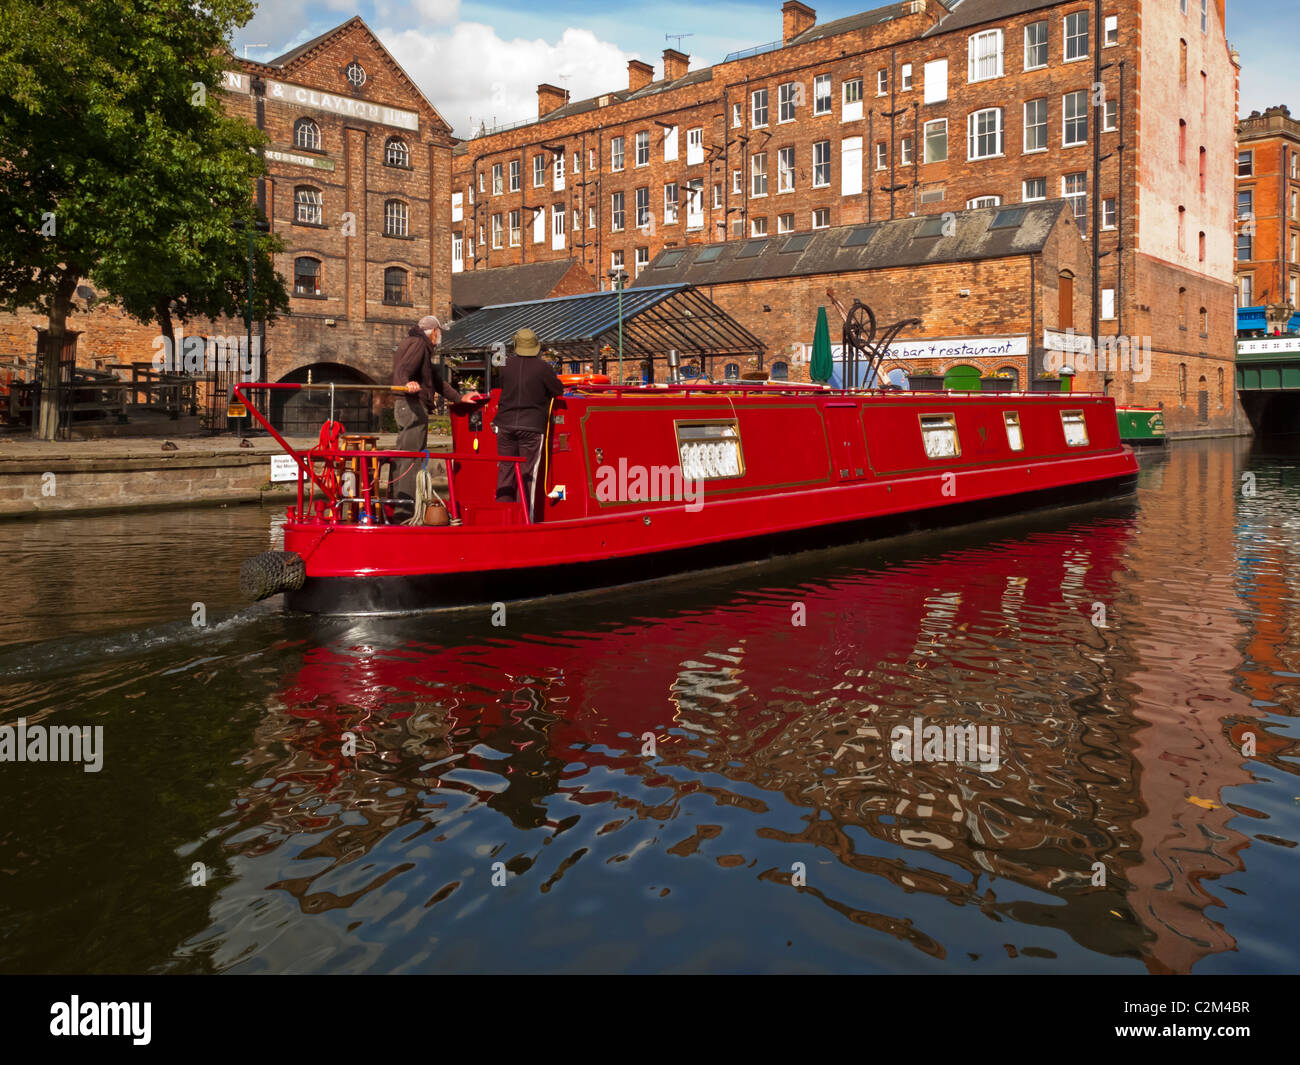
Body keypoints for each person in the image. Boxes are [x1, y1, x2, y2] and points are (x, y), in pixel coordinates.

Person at [391, 314, 483, 513]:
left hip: (406, 405)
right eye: (439, 332)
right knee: (411, 457)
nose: (439, 336)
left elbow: (436, 381)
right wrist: (406, 383)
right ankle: (404, 511)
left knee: (403, 455)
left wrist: (459, 398)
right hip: (412, 405)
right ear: (433, 332)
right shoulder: (418, 344)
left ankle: (395, 505)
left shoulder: (416, 344)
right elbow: (403, 368)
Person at [494, 327, 562, 519]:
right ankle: (525, 520)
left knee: (505, 472)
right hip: (531, 427)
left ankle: (503, 519)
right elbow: (558, 390)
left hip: (505, 424)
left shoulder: (505, 365)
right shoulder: (543, 368)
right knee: (528, 475)